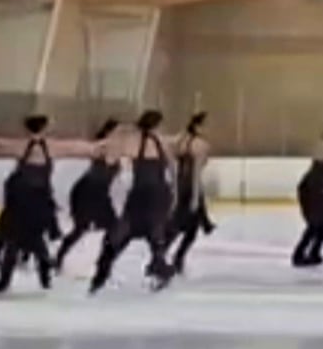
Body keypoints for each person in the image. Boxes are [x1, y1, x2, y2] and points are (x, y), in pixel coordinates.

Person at [0, 114, 103, 294]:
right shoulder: (49, 146)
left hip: (22, 202)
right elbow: (73, 148)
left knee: (15, 243)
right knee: (35, 243)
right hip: (36, 203)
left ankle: (6, 282)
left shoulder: (21, 146)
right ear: (44, 128)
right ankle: (44, 280)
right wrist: (95, 147)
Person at [91, 110, 177, 293]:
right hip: (158, 194)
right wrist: (175, 193)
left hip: (143, 194)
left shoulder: (133, 141)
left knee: (122, 235)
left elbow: (110, 157)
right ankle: (160, 271)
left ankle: (101, 274)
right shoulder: (161, 142)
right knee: (156, 237)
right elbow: (172, 168)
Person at [53, 119, 122, 273]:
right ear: (110, 132)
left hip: (101, 193)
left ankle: (103, 262)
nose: (121, 134)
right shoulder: (102, 147)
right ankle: (58, 258)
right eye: (118, 131)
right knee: (81, 229)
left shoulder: (115, 148)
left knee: (114, 228)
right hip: (87, 192)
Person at [167, 112, 216, 274]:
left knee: (180, 226)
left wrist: (174, 189)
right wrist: (196, 197)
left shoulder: (181, 140)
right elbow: (196, 173)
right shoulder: (200, 145)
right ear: (197, 126)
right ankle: (175, 258)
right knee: (189, 230)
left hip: (180, 186)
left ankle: (168, 256)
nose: (207, 129)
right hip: (191, 189)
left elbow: (173, 164)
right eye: (204, 125)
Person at [290, 123, 323, 268]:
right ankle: (299, 254)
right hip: (313, 190)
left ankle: (314, 252)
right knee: (316, 224)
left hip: (317, 190)